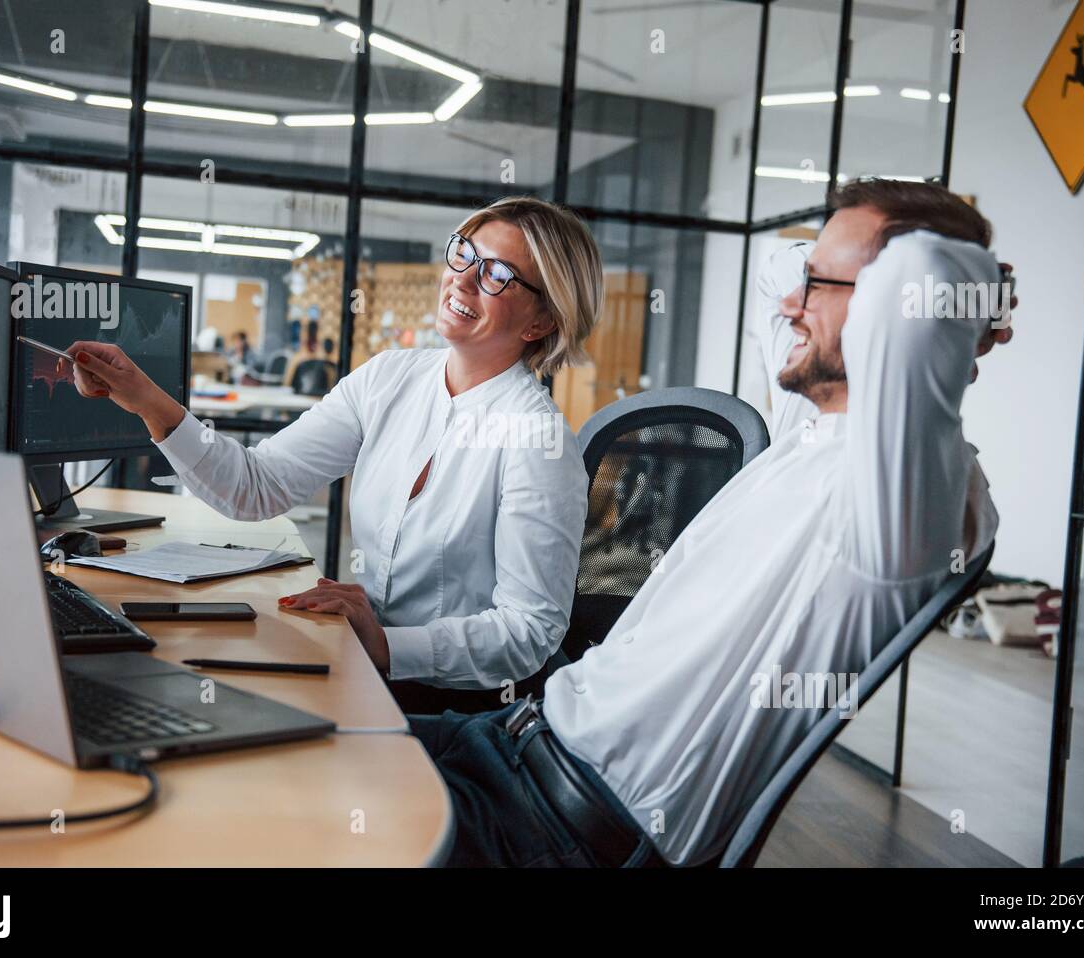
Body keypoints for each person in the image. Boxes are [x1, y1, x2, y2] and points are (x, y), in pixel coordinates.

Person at [408, 179, 1011, 867]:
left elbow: (927, 271)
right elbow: (774, 274)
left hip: (549, 829)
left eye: (822, 285)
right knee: (298, 727)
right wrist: (861, 278)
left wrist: (973, 289)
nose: (792, 305)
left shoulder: (902, 500)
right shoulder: (811, 438)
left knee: (282, 799)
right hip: (509, 740)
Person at [58, 197, 600, 705]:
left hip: (457, 705)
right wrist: (147, 400)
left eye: (498, 274)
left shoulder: (538, 441)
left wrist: (389, 645)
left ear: (542, 321)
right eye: (465, 252)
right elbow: (257, 486)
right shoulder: (390, 377)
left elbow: (529, 631)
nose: (463, 279)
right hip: (362, 663)